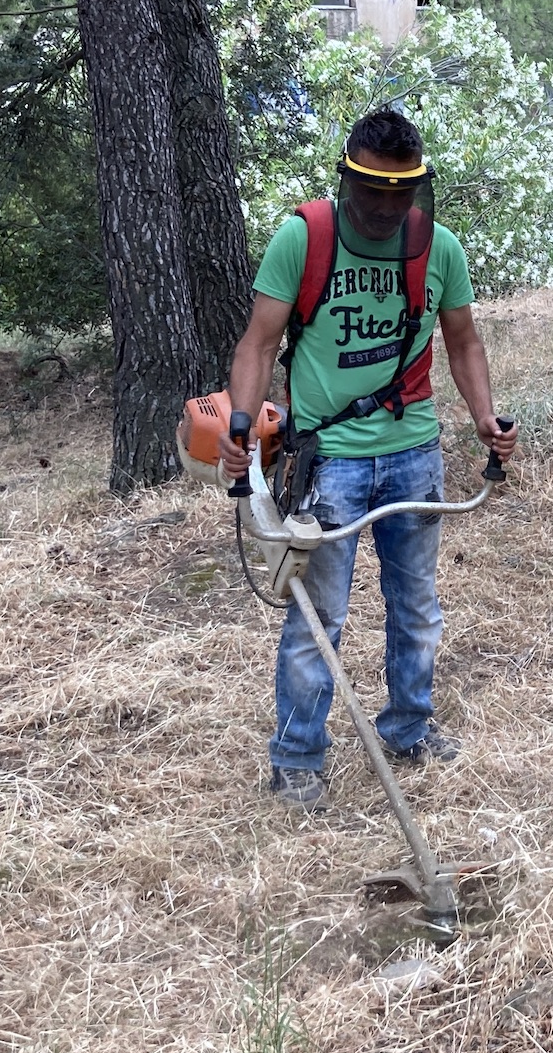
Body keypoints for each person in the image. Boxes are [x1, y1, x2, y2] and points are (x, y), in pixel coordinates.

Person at [218, 109, 517, 810]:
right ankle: (297, 758)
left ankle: (409, 728)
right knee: (317, 617)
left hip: (413, 453)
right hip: (331, 464)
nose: (386, 207)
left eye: (400, 193)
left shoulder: (440, 248)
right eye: (372, 190)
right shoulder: (304, 239)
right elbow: (258, 344)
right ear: (348, 178)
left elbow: (465, 341)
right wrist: (240, 422)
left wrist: (482, 419)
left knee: (415, 606)